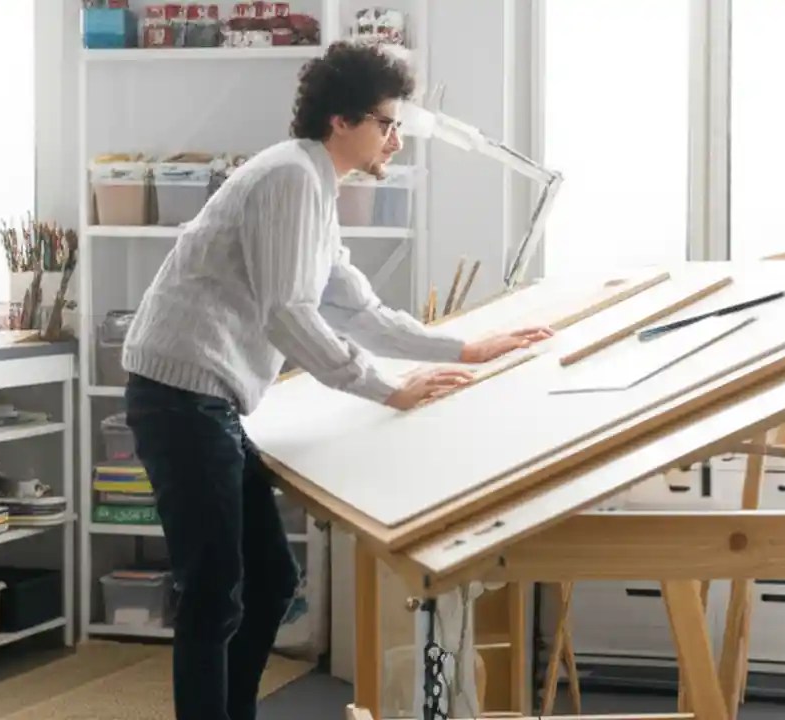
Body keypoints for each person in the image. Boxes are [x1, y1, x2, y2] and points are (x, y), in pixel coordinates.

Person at [119, 40, 552, 720]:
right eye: (387, 123)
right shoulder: (292, 177)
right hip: (181, 397)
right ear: (341, 121)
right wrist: (387, 389)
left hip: (208, 400)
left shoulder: (315, 186)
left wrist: (466, 348)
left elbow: (359, 311)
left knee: (268, 579)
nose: (398, 140)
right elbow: (287, 314)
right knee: (216, 589)